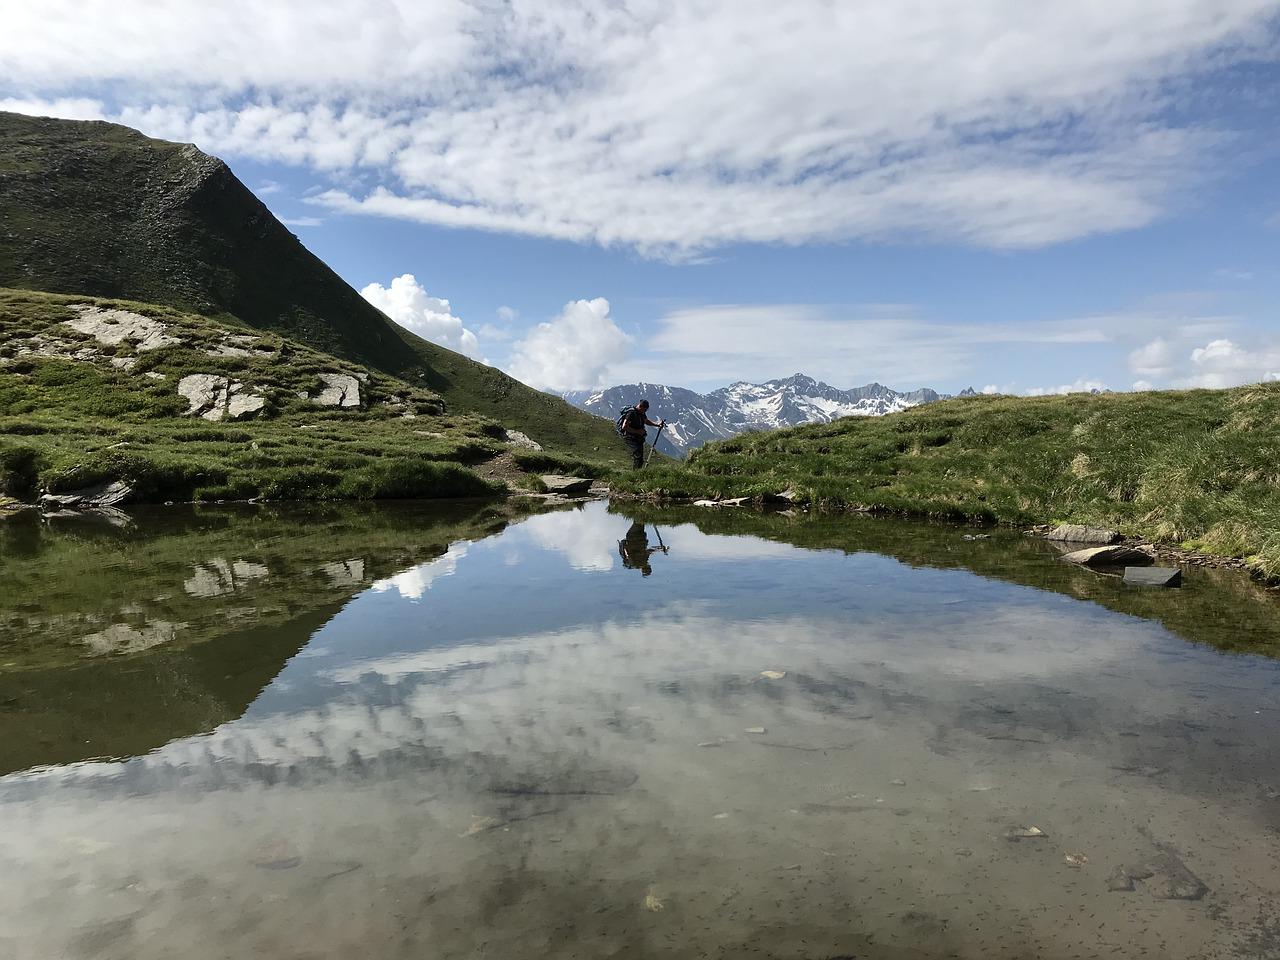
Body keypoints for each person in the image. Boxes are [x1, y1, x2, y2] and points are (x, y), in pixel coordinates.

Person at [620, 399, 664, 469]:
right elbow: (624, 427)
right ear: (640, 406)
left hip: (638, 438)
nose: (645, 411)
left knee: (640, 458)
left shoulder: (641, 413)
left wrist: (657, 425)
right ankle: (635, 475)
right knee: (638, 456)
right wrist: (638, 431)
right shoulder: (631, 413)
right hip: (630, 437)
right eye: (645, 410)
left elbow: (646, 421)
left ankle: (637, 473)